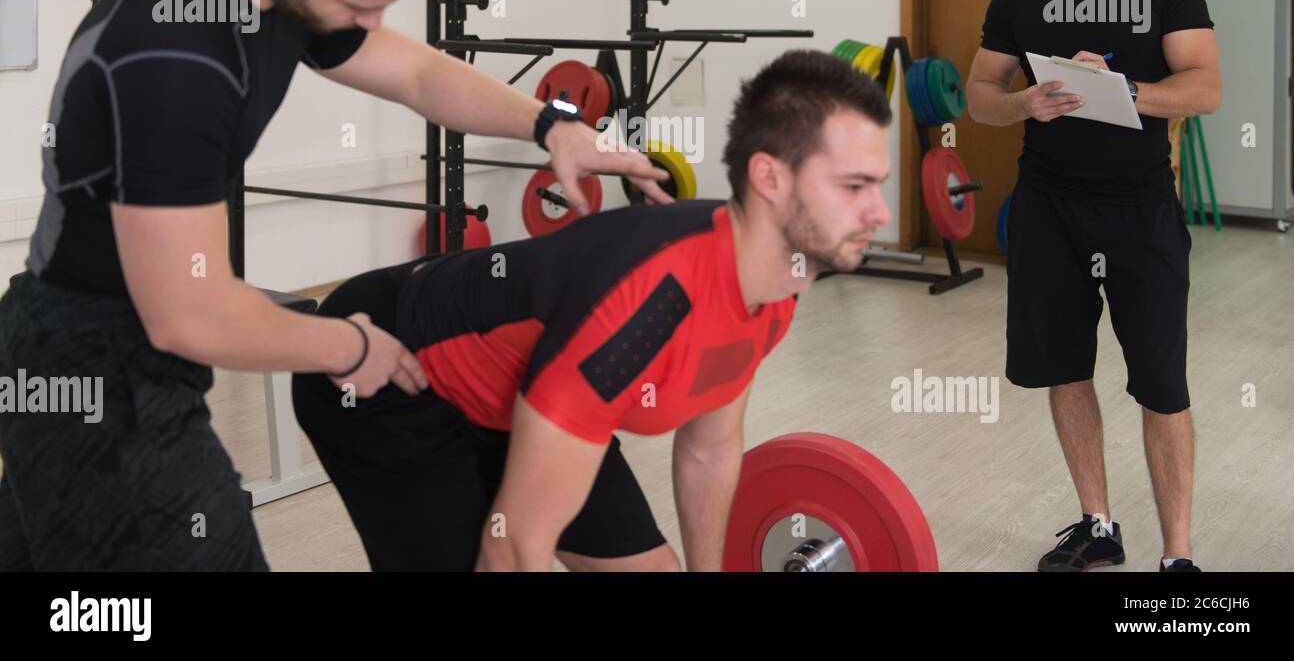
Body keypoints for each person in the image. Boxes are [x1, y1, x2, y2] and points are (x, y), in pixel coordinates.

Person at [0, 0, 670, 571]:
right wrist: (347, 344)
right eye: (358, 5)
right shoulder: (177, 62)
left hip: (105, 339)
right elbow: (187, 312)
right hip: (98, 369)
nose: (370, 26)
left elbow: (418, 76)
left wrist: (554, 127)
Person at [292, 49, 893, 571]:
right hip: (398, 372)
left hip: (532, 395)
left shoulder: (775, 288)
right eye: (853, 186)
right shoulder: (644, 307)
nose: (880, 213)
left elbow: (709, 450)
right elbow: (514, 548)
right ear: (770, 179)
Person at [966, 0, 1221, 572]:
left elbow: (1205, 88)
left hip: (1140, 209)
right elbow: (978, 93)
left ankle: (1178, 555)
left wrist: (1124, 91)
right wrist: (1025, 101)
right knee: (1064, 367)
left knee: (1162, 383)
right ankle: (1098, 525)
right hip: (1050, 208)